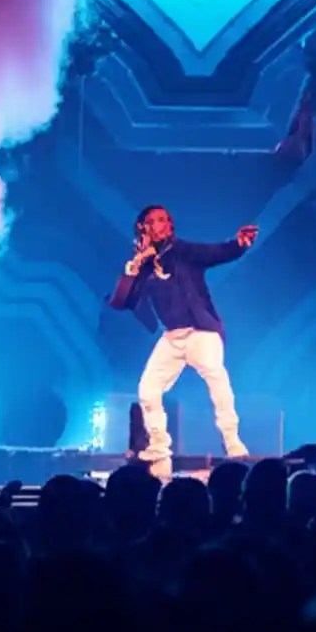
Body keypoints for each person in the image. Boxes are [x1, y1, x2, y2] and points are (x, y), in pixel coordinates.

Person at [108, 205, 257, 479]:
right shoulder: (142, 265)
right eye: (153, 221)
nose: (160, 224)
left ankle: (234, 445)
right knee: (147, 390)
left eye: (164, 219)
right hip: (173, 337)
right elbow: (120, 302)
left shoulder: (183, 251)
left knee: (217, 381)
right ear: (143, 228)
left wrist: (239, 244)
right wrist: (135, 266)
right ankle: (159, 451)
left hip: (202, 331)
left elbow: (216, 252)